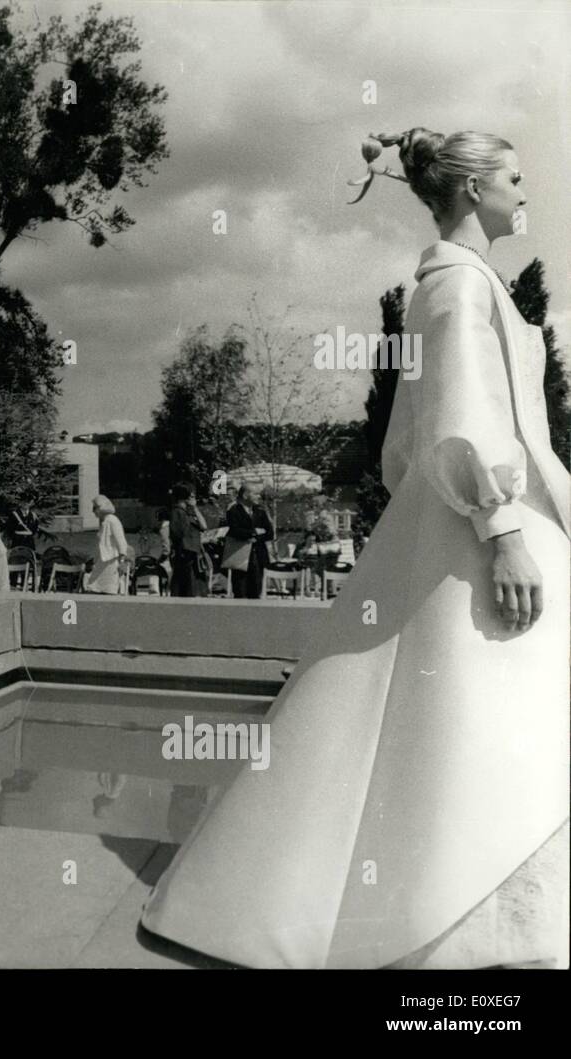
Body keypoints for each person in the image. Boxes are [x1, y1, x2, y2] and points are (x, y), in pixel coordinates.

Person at [142, 129, 570, 968]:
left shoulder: (465, 282)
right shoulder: (454, 287)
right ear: (472, 189)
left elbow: (417, 441)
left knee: (476, 729)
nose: (527, 194)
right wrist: (500, 530)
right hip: (475, 537)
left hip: (469, 526)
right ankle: (451, 942)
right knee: (470, 727)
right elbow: (457, 417)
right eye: (514, 180)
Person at [222, 483, 273, 599]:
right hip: (240, 558)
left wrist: (254, 537)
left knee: (255, 592)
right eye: (255, 493)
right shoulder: (233, 511)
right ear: (245, 495)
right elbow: (235, 531)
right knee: (241, 592)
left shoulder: (260, 512)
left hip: (258, 557)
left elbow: (270, 533)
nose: (258, 496)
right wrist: (254, 532)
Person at [168, 484, 209, 598]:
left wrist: (195, 508)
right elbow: (179, 533)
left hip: (193, 553)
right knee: (185, 586)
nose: (193, 498)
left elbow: (204, 526)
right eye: (191, 496)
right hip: (184, 553)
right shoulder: (177, 512)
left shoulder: (188, 513)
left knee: (192, 585)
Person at [85, 495, 131, 594]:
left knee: (108, 591)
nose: (93, 511)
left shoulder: (112, 520)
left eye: (95, 508)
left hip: (111, 563)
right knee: (92, 589)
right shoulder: (104, 522)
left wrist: (122, 561)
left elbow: (121, 542)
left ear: (101, 508)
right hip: (101, 563)